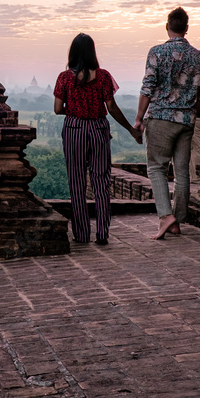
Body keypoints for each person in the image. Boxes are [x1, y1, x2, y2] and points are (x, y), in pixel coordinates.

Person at [54, 33, 139, 245]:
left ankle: (82, 234)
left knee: (77, 182)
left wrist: (75, 110)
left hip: (74, 128)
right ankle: (102, 232)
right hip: (99, 128)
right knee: (101, 181)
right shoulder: (103, 76)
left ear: (72, 52)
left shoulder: (64, 78)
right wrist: (130, 129)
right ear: (93, 52)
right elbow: (111, 108)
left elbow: (57, 109)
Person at [134, 7, 200, 240]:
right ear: (186, 28)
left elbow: (148, 88)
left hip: (161, 117)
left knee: (156, 168)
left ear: (167, 26)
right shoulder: (198, 57)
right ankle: (178, 219)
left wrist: (138, 118)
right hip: (186, 120)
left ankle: (166, 216)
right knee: (182, 172)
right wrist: (189, 113)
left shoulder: (157, 52)